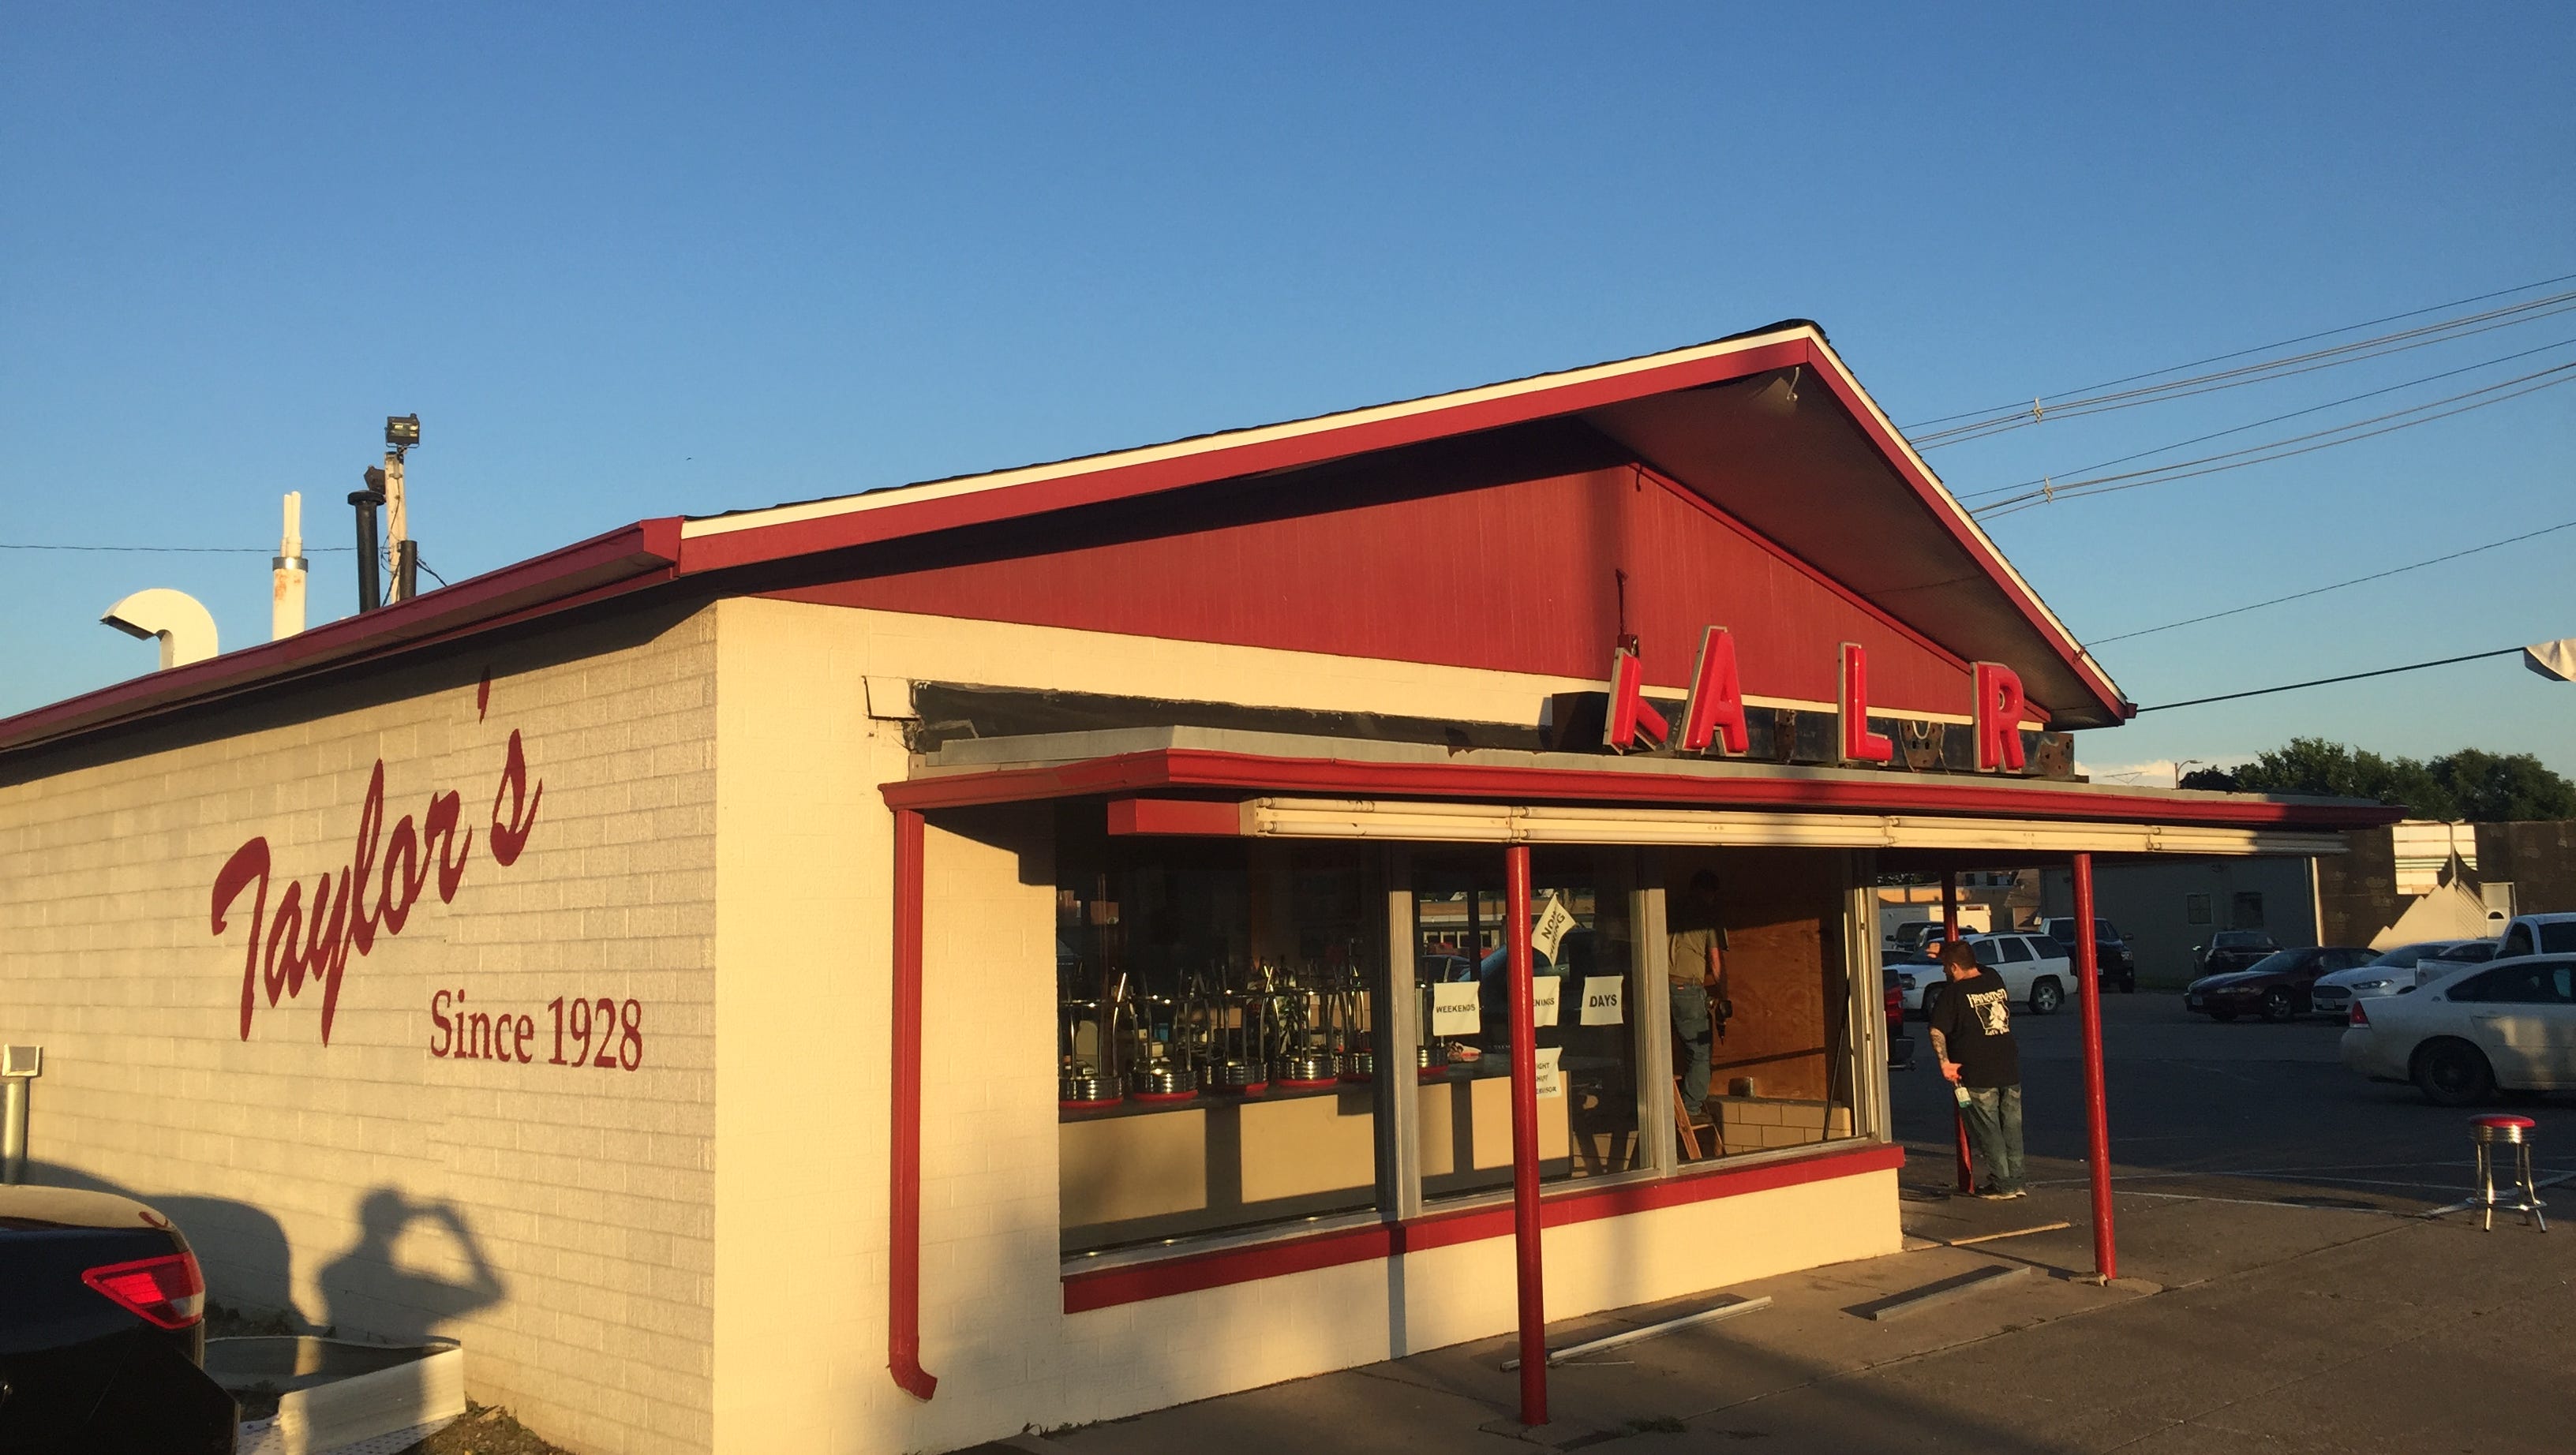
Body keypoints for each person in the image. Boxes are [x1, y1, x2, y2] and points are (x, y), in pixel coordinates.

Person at [1927, 938, 2024, 1199]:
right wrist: (1945, 953)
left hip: (1976, 1072)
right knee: (2012, 1126)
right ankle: (2016, 1180)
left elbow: (1937, 1030)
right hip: (2008, 1066)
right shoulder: (1993, 978)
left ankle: (2002, 1184)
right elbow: (1972, 962)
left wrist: (1944, 1064)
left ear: (1955, 967)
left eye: (1947, 967)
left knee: (1987, 1128)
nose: (1945, 972)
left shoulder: (1953, 995)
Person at [1666, 870, 1729, 1120]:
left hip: (1657, 987)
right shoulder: (1707, 915)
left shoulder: (1667, 908)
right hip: (1687, 988)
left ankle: (1662, 1102)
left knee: (1661, 1049)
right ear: (1710, 893)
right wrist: (1723, 997)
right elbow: (1715, 963)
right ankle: (1690, 1110)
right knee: (1699, 1053)